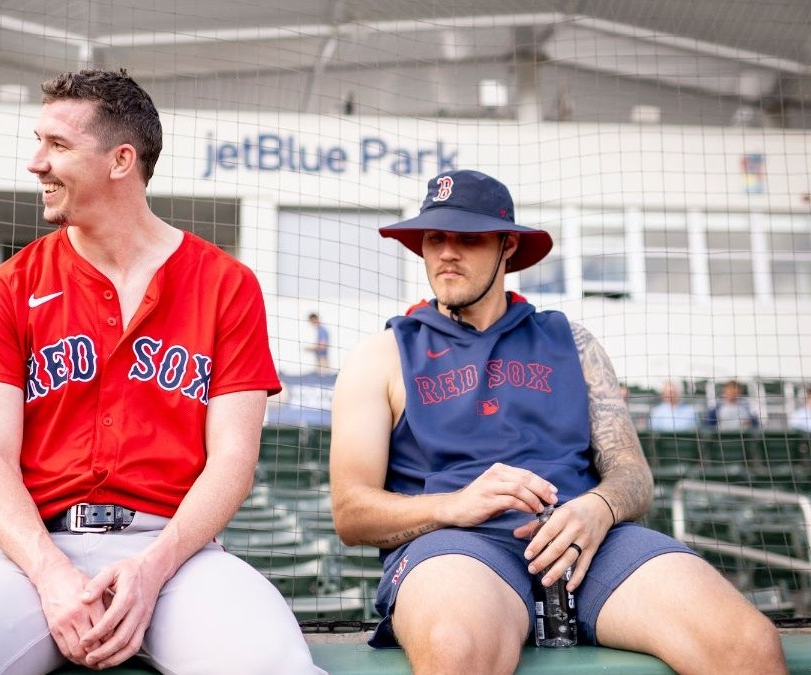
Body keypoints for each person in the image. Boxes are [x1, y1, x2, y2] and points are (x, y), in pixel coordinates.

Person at [0, 69, 322, 675]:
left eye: (58, 145)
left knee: (276, 667)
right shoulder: (4, 289)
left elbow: (233, 460)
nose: (36, 162)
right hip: (34, 555)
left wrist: (154, 567)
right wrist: (51, 575)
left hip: (178, 557)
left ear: (121, 160)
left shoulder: (227, 284)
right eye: (39, 142)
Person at [330, 169, 785, 674]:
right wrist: (452, 506)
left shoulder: (574, 342)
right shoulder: (383, 355)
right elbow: (351, 513)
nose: (447, 253)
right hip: (456, 547)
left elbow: (633, 475)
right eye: (435, 238)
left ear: (507, 246)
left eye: (469, 238)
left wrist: (600, 507)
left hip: (587, 539)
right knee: (457, 648)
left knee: (749, 644)